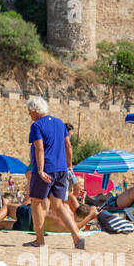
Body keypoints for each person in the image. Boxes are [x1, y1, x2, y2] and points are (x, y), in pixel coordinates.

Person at [25, 96, 84, 249]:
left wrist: (39, 170)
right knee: (58, 205)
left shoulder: (37, 125)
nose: (29, 115)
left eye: (30, 112)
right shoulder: (59, 123)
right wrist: (69, 165)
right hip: (61, 169)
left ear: (35, 110)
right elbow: (68, 145)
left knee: (36, 202)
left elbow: (39, 149)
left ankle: (39, 240)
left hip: (46, 169)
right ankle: (77, 236)